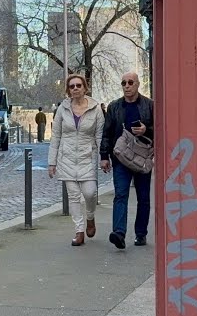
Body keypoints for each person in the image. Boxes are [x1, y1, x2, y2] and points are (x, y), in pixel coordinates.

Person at [48, 73, 104, 246]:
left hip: (88, 156)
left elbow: (100, 135)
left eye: (78, 85)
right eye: (72, 86)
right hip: (67, 157)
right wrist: (52, 162)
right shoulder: (62, 109)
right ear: (68, 90)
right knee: (73, 196)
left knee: (90, 192)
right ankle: (79, 231)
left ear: (84, 88)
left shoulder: (95, 109)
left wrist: (104, 158)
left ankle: (90, 217)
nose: (75, 89)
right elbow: (56, 136)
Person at [100, 72, 154, 249]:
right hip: (121, 158)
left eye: (130, 82)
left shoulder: (149, 105)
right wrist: (104, 156)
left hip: (142, 158)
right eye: (124, 83)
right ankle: (119, 233)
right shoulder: (114, 107)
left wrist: (146, 129)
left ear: (138, 84)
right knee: (121, 194)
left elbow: (160, 129)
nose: (127, 86)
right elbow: (107, 132)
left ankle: (140, 234)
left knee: (143, 197)